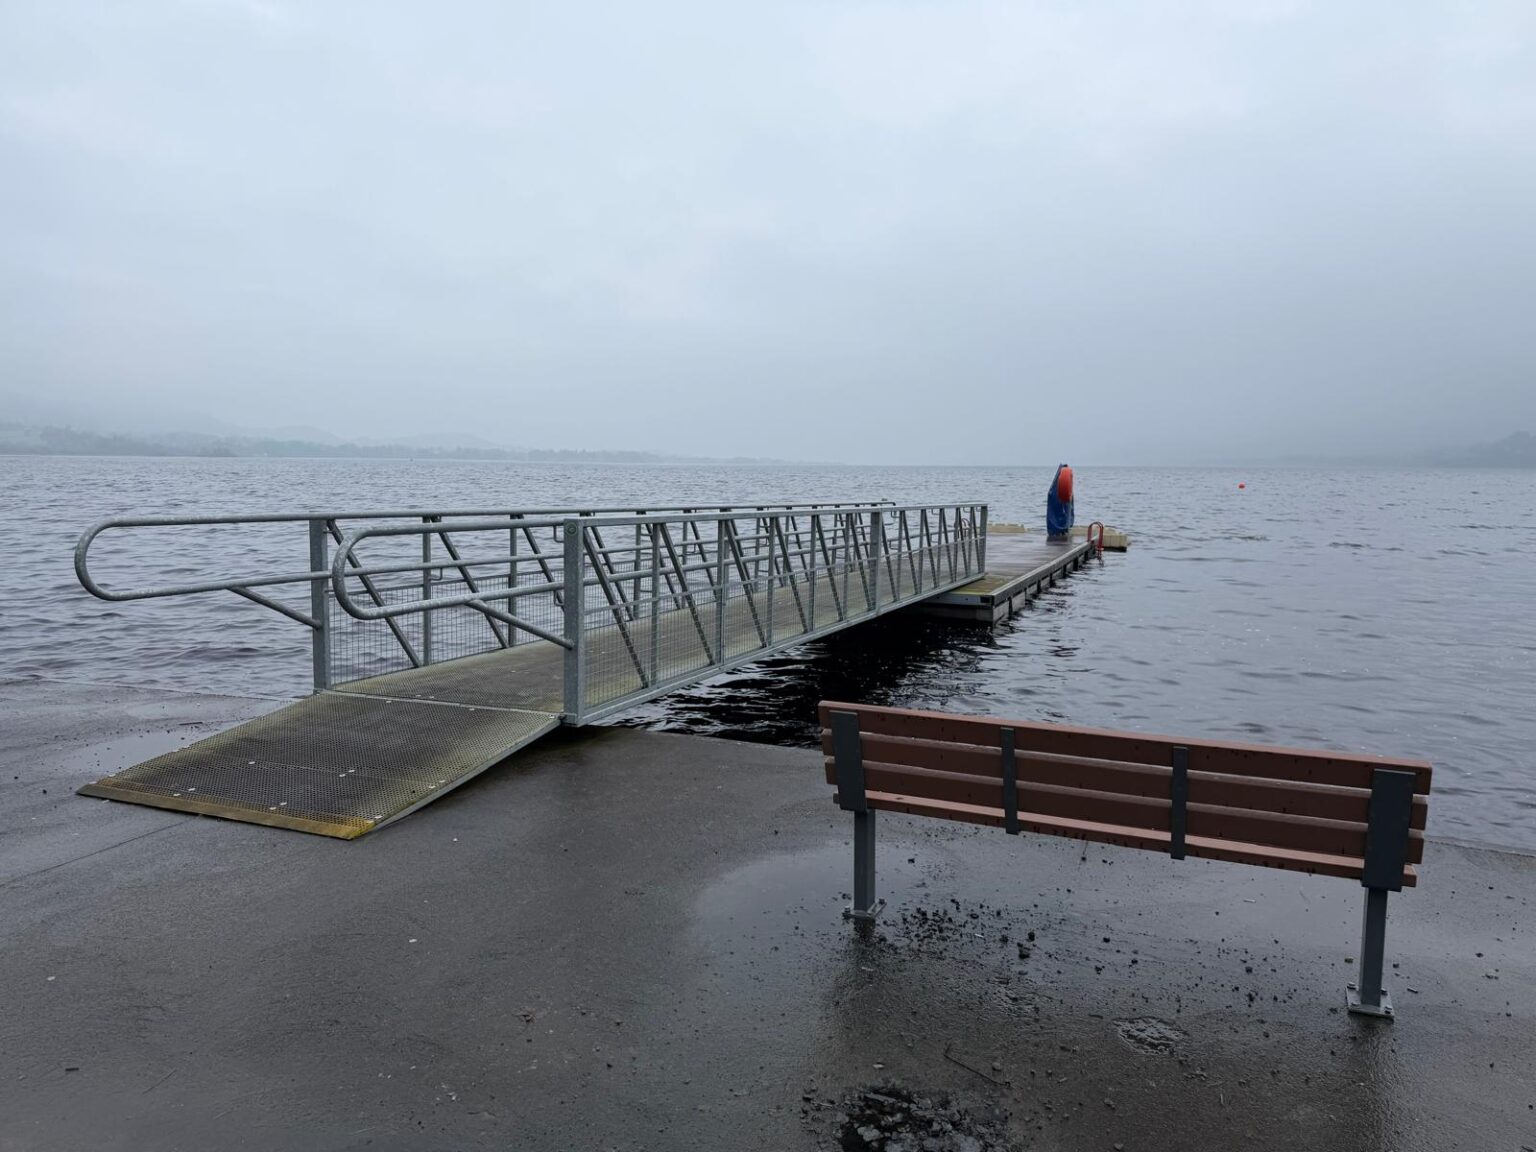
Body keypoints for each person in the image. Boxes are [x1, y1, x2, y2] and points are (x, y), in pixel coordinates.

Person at [1046, 463, 1074, 542]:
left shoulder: (1054, 489)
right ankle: (1062, 529)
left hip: (1062, 499)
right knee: (1063, 512)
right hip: (1062, 500)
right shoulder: (1055, 489)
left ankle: (1061, 529)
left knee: (1063, 512)